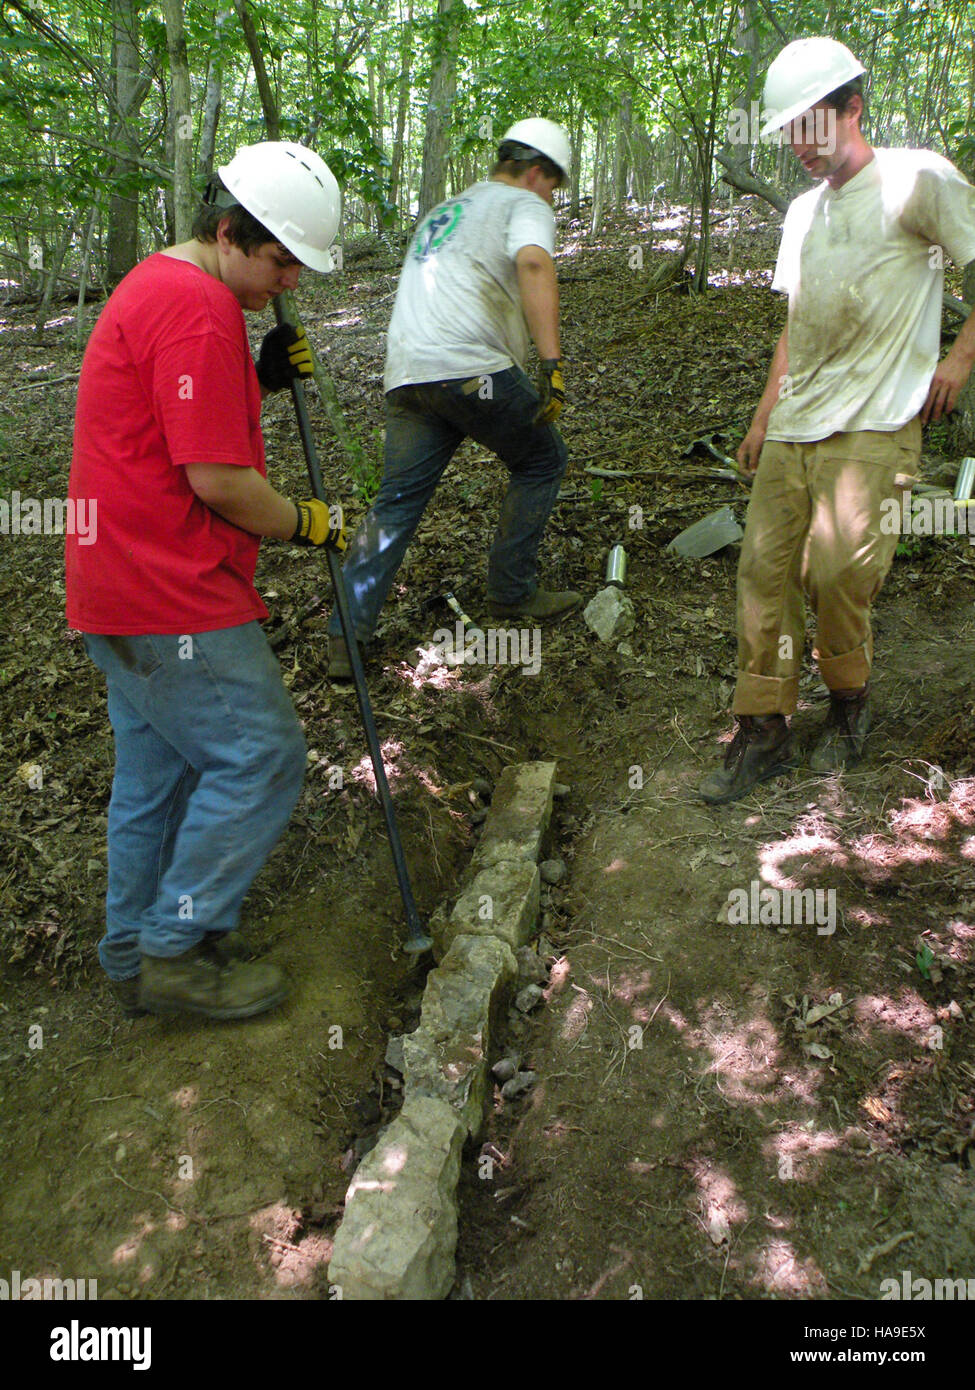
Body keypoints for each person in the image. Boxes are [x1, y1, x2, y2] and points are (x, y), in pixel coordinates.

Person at [66, 141, 346, 1018]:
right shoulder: (198, 306)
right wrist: (307, 521)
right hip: (168, 590)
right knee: (262, 755)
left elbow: (169, 425)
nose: (289, 282)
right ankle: (175, 950)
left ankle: (132, 955)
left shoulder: (162, 286)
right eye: (280, 261)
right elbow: (218, 480)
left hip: (118, 584)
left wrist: (255, 380)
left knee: (158, 780)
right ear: (228, 233)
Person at [699, 37, 975, 805]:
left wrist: (957, 361)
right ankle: (763, 729)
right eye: (788, 131)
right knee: (761, 575)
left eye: (810, 126)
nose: (798, 145)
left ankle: (848, 700)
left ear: (852, 108)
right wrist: (762, 417)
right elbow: (795, 327)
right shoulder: (801, 213)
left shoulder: (918, 180)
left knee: (838, 573)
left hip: (877, 419)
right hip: (796, 421)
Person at [326, 117, 579, 678]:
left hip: (409, 374)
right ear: (536, 173)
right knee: (543, 458)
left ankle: (346, 636)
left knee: (396, 502)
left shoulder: (445, 210)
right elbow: (534, 263)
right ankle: (511, 592)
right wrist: (552, 364)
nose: (551, 198)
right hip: (471, 367)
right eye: (553, 186)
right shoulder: (523, 203)